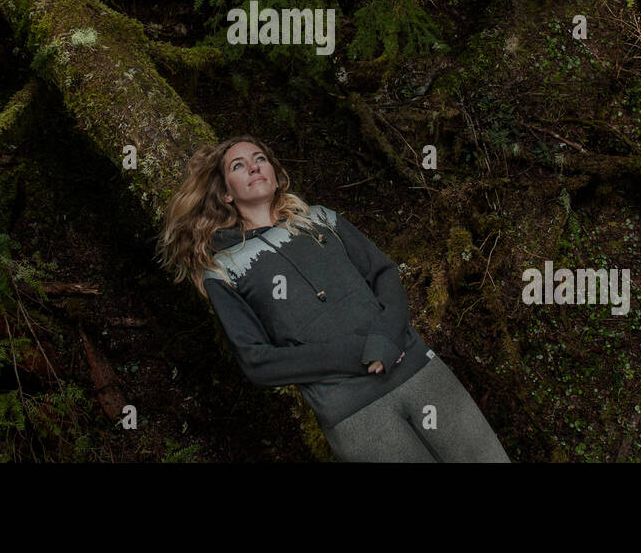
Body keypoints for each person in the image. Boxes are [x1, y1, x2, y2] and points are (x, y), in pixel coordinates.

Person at [158, 134, 511, 462]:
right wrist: (356, 355)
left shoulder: (321, 219)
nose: (252, 166)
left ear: (277, 177)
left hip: (418, 371)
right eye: (238, 165)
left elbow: (384, 273)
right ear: (226, 195)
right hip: (353, 413)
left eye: (260, 158)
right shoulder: (224, 270)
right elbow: (258, 362)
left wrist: (386, 336)